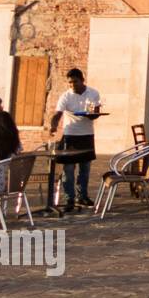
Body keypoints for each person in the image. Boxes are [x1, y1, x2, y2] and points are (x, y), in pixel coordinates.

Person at [50, 68, 101, 212]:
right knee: (68, 170)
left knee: (85, 169)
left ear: (82, 80)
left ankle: (82, 195)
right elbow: (57, 114)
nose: (72, 85)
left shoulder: (93, 93)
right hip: (70, 135)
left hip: (86, 134)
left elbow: (95, 113)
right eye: (70, 83)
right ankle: (69, 198)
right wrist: (53, 125)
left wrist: (91, 115)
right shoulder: (66, 96)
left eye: (75, 82)